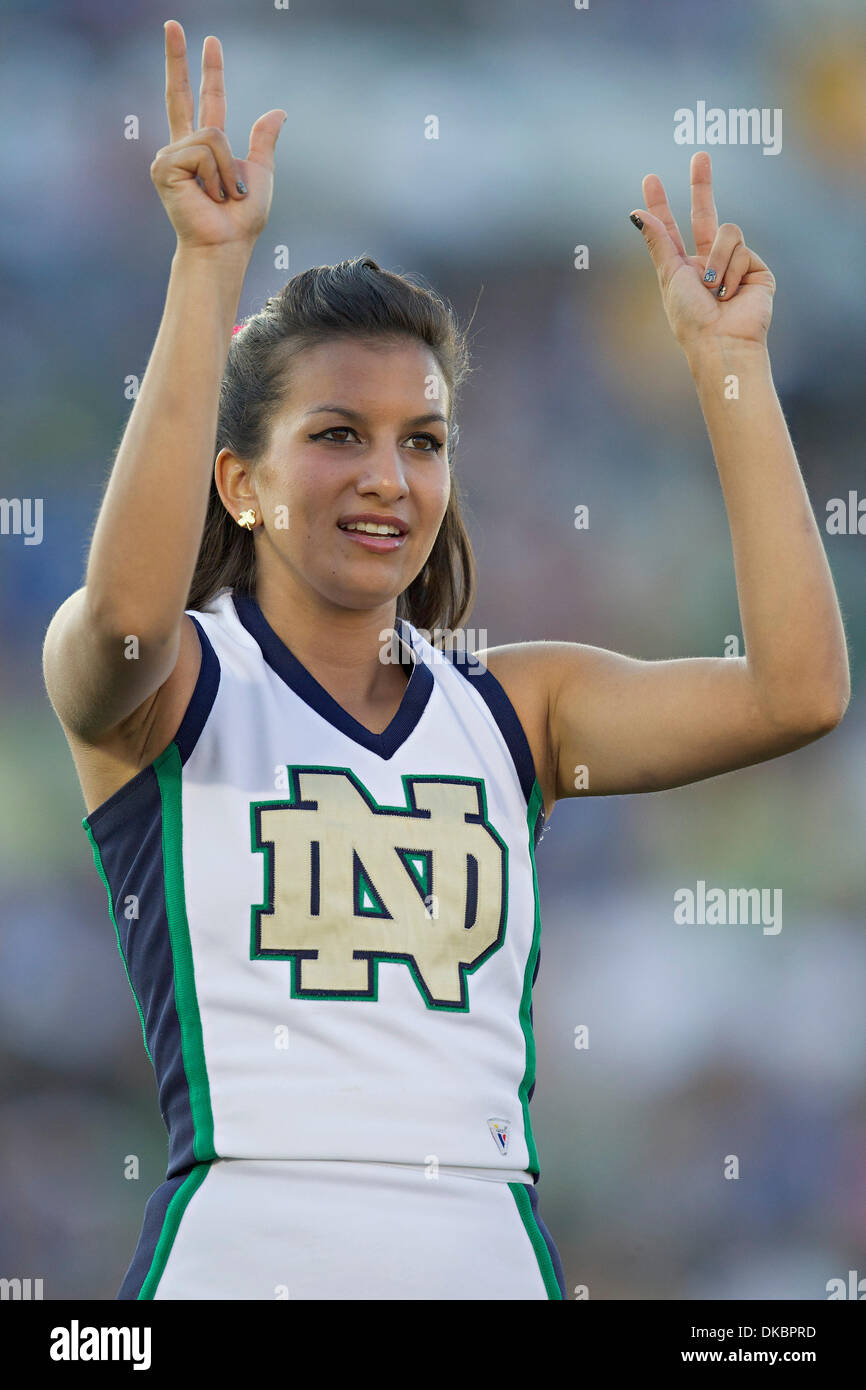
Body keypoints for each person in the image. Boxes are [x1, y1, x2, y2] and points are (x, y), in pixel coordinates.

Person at [41, 20, 849, 1300]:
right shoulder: (175, 690)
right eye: (337, 435)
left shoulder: (514, 706)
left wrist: (729, 368)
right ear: (239, 485)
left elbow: (795, 692)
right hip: (243, 1253)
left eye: (423, 440)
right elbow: (127, 619)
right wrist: (206, 274)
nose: (386, 475)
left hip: (482, 1249)